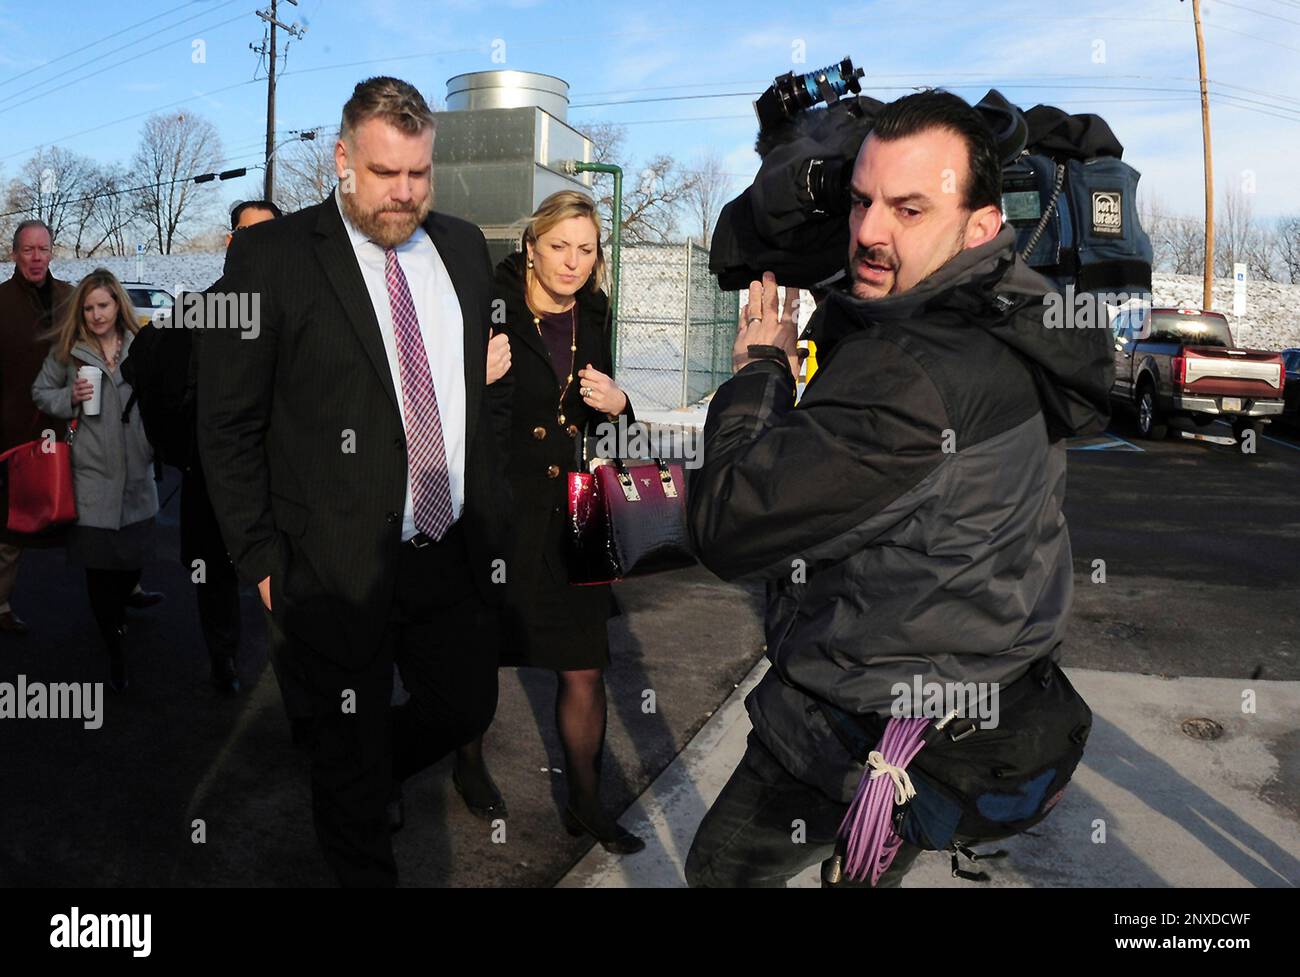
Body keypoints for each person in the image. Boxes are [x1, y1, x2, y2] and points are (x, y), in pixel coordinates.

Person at [683, 91, 1113, 887]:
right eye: (861, 201)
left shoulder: (908, 381)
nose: (870, 232)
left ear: (978, 226)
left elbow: (728, 521)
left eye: (908, 209)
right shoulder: (1020, 308)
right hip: (966, 695)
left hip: (863, 717)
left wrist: (761, 370)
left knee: (717, 868)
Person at [197, 76, 510, 887]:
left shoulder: (466, 249)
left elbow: (460, 390)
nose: (403, 194)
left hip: (443, 548)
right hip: (332, 564)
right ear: (342, 160)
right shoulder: (272, 257)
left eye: (419, 174)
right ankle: (356, 807)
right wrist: (261, 559)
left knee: (464, 704)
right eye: (383, 174)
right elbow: (227, 422)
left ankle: (367, 775)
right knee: (344, 752)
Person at [453, 190, 644, 853]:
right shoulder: (488, 304)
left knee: (586, 667)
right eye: (559, 246)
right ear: (530, 246)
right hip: (500, 507)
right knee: (479, 655)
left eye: (586, 249)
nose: (572, 262)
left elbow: (608, 427)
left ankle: (586, 801)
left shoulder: (594, 310)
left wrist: (621, 406)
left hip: (580, 511)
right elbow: (430, 406)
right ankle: (468, 761)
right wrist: (468, 379)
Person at [123, 199, 287, 698]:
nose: (259, 244)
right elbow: (144, 368)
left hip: (285, 476)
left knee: (283, 576)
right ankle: (225, 659)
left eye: (270, 234)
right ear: (232, 241)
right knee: (214, 573)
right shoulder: (200, 308)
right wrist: (183, 447)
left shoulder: (301, 306)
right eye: (248, 233)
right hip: (212, 474)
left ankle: (296, 685)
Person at [31, 269, 159, 692]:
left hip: (138, 472)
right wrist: (69, 397)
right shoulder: (69, 353)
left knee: (131, 560)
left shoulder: (141, 348)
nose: (96, 314)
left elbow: (163, 394)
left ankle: (122, 606)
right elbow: (40, 391)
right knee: (99, 569)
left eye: (102, 305)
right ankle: (114, 647)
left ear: (117, 305)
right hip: (89, 475)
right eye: (88, 308)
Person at [0, 221, 72, 633]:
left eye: (43, 249)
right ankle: (0, 605)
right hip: (14, 428)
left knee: (91, 510)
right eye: (27, 250)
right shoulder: (2, 302)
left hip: (68, 425)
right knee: (12, 522)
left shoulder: (70, 297)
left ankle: (121, 586)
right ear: (14, 255)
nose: (36, 257)